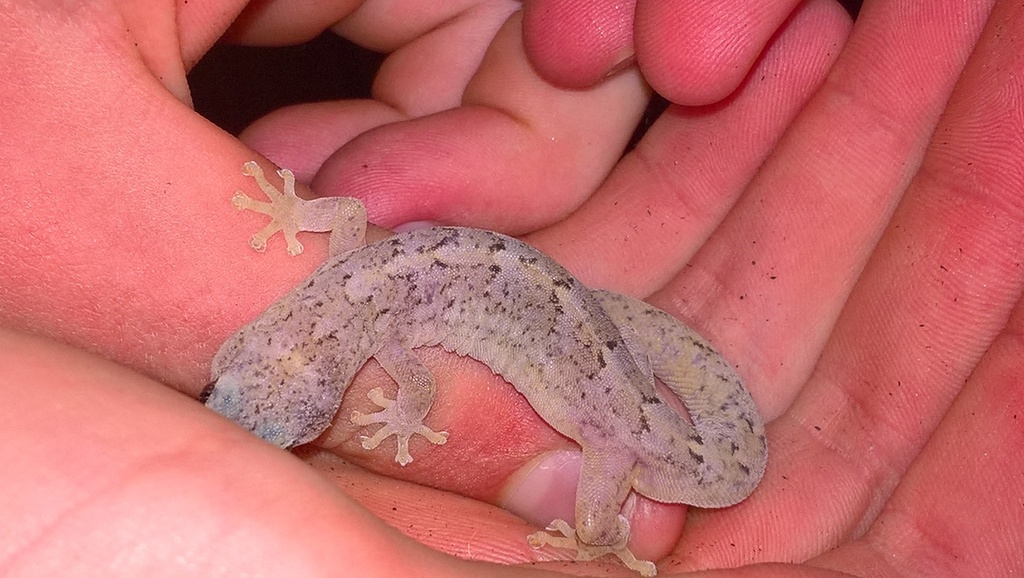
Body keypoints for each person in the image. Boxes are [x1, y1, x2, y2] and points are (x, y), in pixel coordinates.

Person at [1, 0, 1021, 575]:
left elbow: (392, 340)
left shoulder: (371, 336)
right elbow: (345, 221)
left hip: (624, 410)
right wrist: (293, 215)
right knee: (602, 395)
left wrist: (413, 418)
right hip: (552, 311)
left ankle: (604, 536)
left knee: (608, 443)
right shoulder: (342, 286)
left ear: (264, 351)